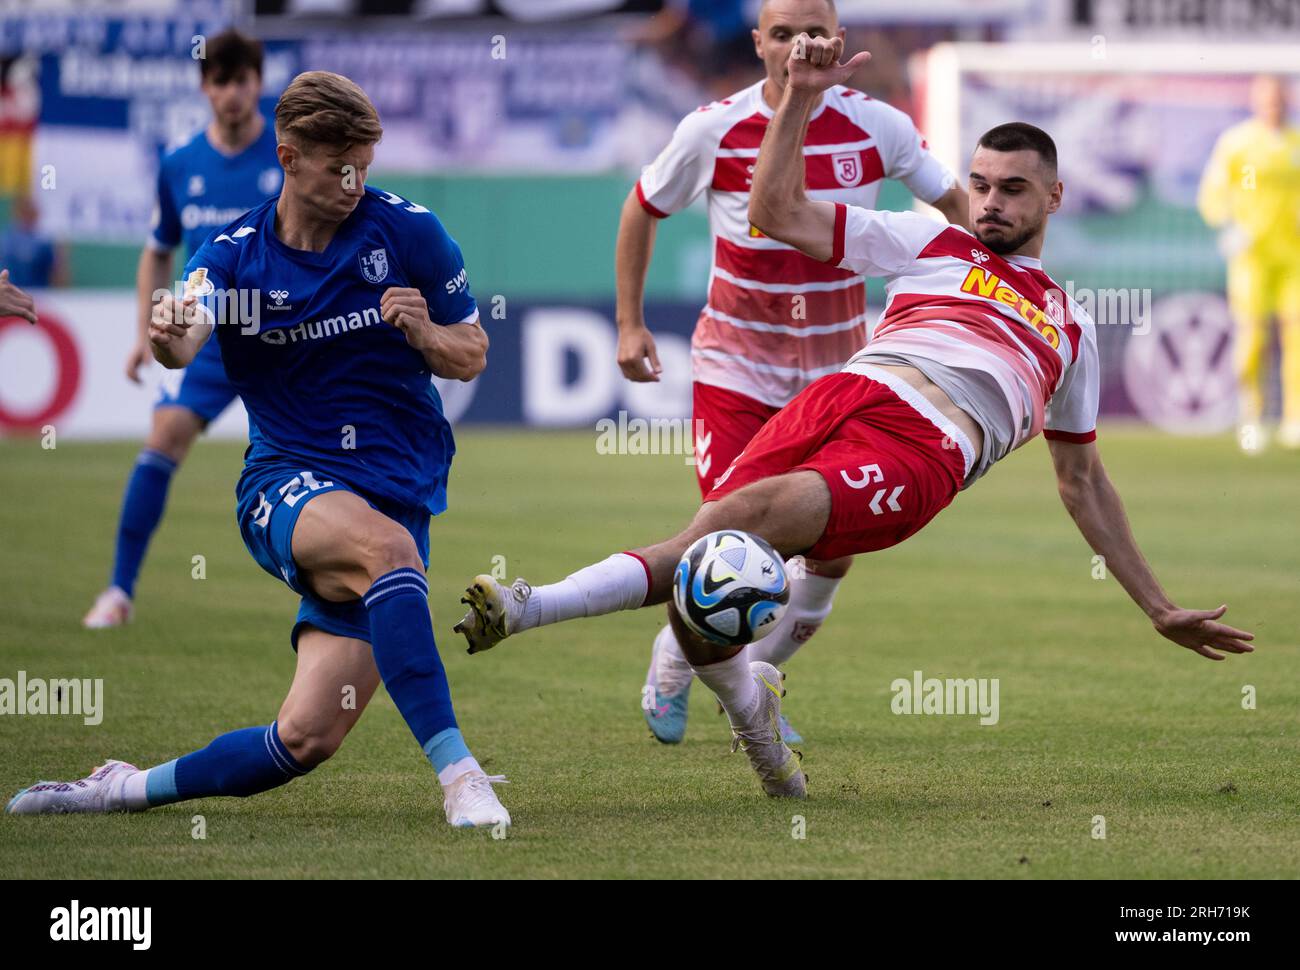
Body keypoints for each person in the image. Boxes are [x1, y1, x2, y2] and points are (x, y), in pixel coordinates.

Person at [454, 37, 1254, 799]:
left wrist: (1156, 604)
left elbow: (1083, 482)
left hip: (925, 444)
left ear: (1054, 196)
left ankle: (529, 607)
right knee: (701, 575)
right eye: (980, 183)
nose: (990, 201)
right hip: (842, 393)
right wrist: (798, 100)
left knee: (737, 524)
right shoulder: (929, 241)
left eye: (1013, 188)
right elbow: (774, 210)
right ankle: (754, 719)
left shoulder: (1071, 327)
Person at [9, 71, 509, 829]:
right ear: (289, 156)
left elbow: (470, 352)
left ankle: (117, 787)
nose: (355, 183)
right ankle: (462, 778)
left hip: (398, 490)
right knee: (391, 553)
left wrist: (425, 332)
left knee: (305, 738)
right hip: (286, 483)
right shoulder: (235, 256)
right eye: (341, 165)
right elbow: (189, 330)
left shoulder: (409, 233)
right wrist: (171, 336)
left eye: (365, 167)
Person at [617, 0, 967, 745]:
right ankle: (672, 665)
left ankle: (759, 684)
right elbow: (643, 207)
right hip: (737, 369)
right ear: (758, 43)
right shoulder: (713, 127)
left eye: (811, 33)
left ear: (837, 40)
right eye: (781, 34)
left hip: (840, 372)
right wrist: (629, 322)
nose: (797, 47)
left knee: (833, 555)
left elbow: (953, 203)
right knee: (728, 550)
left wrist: (1007, 278)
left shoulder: (879, 125)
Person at [83, 30, 283, 628]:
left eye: (241, 79)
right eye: (219, 81)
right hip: (208, 340)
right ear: (204, 87)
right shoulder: (179, 164)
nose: (231, 92)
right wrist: (147, 331)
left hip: (282, 335)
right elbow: (157, 251)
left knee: (322, 451)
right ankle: (118, 592)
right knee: (163, 438)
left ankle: (348, 594)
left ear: (257, 81)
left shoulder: (286, 151)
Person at [1197, 74, 1300, 452]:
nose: (1274, 105)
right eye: (1267, 98)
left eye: (1279, 98)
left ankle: (1294, 418)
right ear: (1256, 101)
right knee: (1253, 337)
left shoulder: (1297, 143)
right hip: (1252, 257)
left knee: (1296, 335)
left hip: (1294, 257)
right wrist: (1228, 226)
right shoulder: (1237, 144)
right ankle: (1252, 417)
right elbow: (1213, 193)